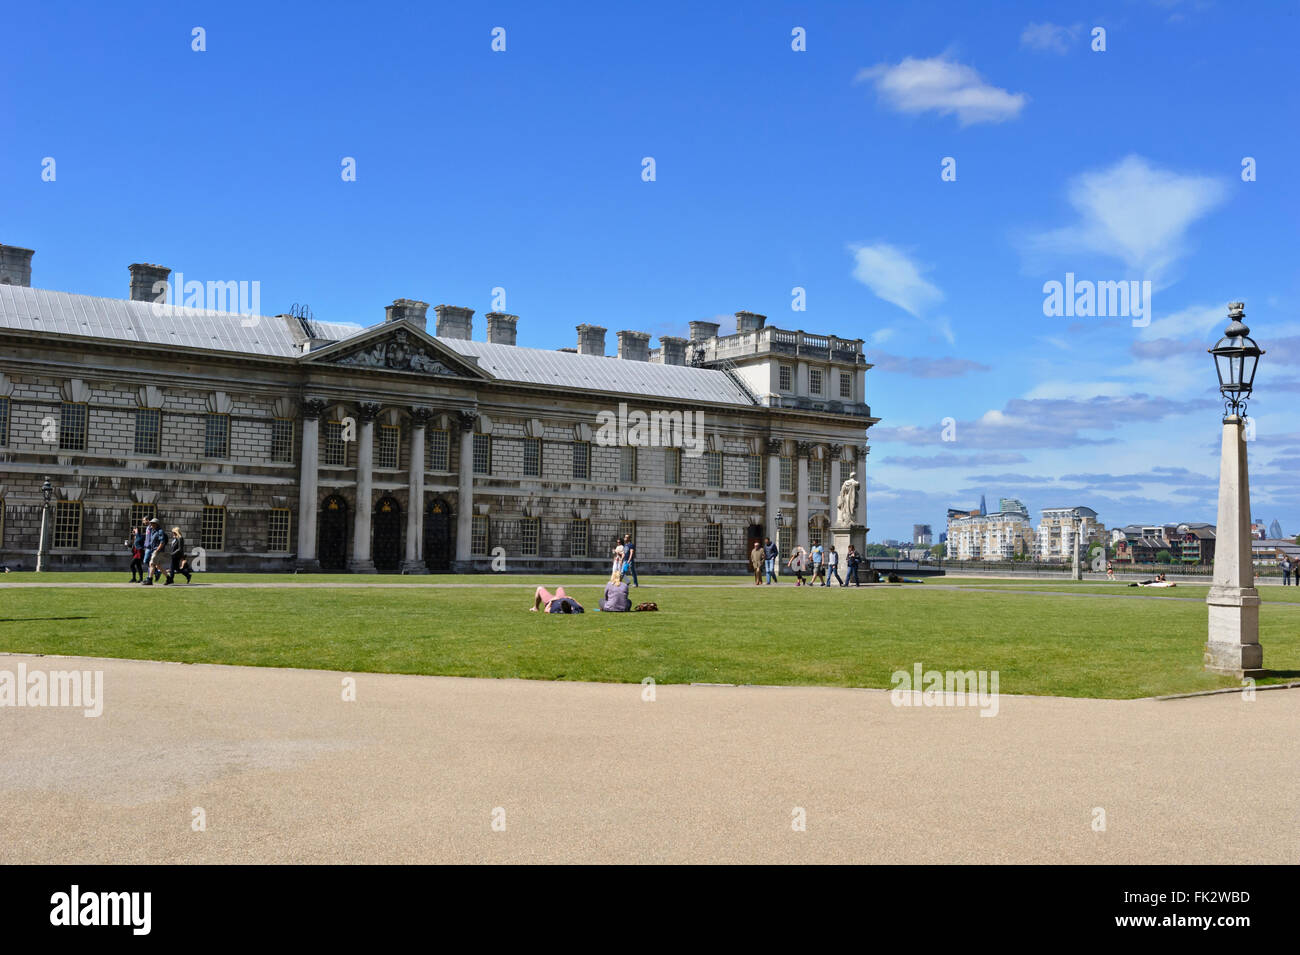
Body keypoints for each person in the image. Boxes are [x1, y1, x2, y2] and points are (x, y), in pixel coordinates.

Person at [142, 518, 165, 585]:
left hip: (156, 550)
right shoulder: (152, 530)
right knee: (154, 565)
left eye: (152, 523)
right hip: (151, 549)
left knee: (151, 564)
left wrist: (157, 550)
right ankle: (166, 577)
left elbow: (162, 542)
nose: (150, 524)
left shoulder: (159, 531)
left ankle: (149, 579)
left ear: (156, 524)